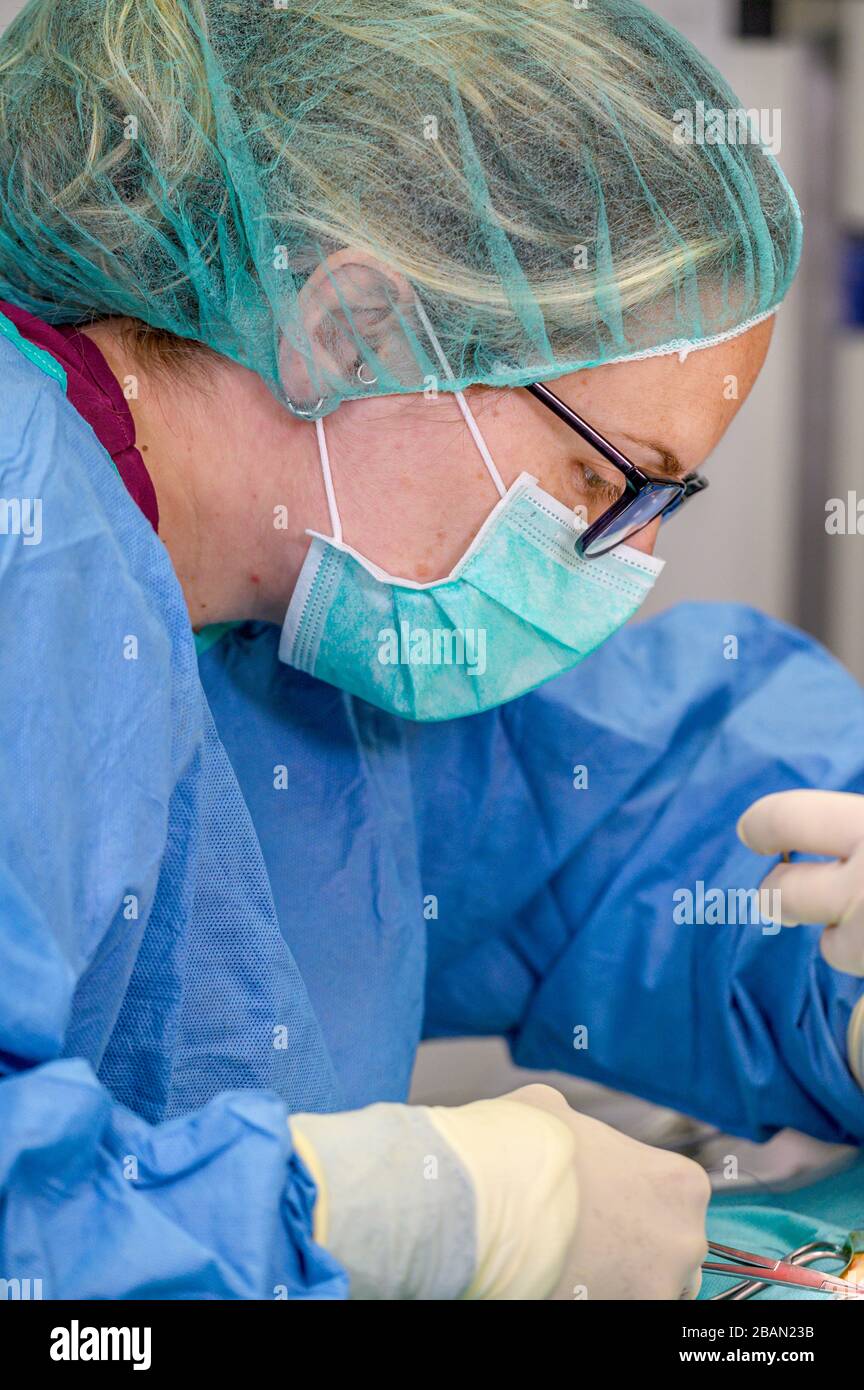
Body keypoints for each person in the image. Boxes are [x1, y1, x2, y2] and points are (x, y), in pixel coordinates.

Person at [0, 0, 861, 1301]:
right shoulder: (33, 543)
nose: (614, 567)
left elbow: (611, 816)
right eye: (599, 481)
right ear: (356, 333)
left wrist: (832, 997)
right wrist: (426, 1215)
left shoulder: (286, 635)